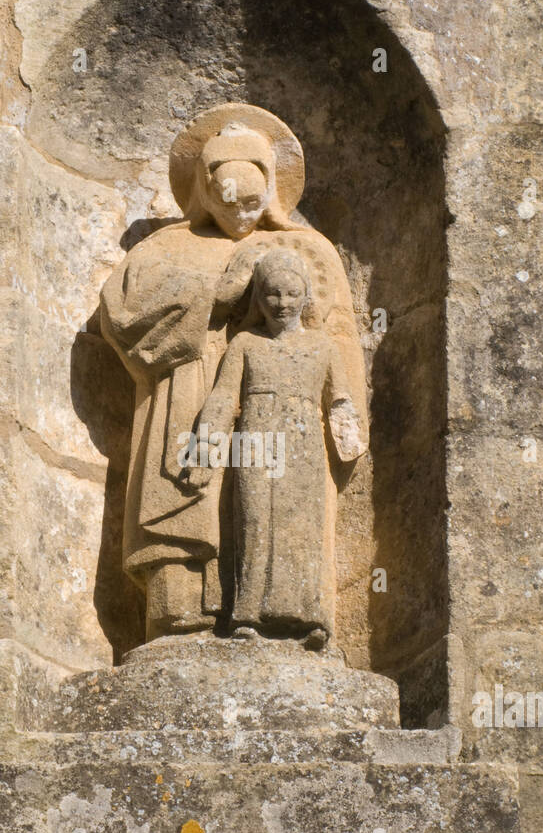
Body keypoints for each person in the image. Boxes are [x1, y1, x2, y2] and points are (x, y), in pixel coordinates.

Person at [100, 103, 366, 642]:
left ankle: (288, 617)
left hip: (281, 418)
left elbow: (337, 338)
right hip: (187, 395)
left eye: (253, 203)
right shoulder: (166, 248)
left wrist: (344, 410)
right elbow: (123, 316)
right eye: (228, 201)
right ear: (202, 187)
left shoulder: (305, 249)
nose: (242, 216)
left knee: (281, 512)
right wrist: (214, 295)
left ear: (271, 191)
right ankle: (180, 619)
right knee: (186, 497)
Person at [189, 249, 367, 648]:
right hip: (255, 441)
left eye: (291, 294)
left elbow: (339, 399)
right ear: (258, 298)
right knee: (254, 522)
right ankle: (247, 614)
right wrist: (204, 447)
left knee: (303, 527)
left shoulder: (322, 346)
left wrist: (349, 440)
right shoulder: (246, 344)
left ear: (306, 296)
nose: (282, 304)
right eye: (272, 294)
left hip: (304, 444)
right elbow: (222, 399)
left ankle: (310, 619)